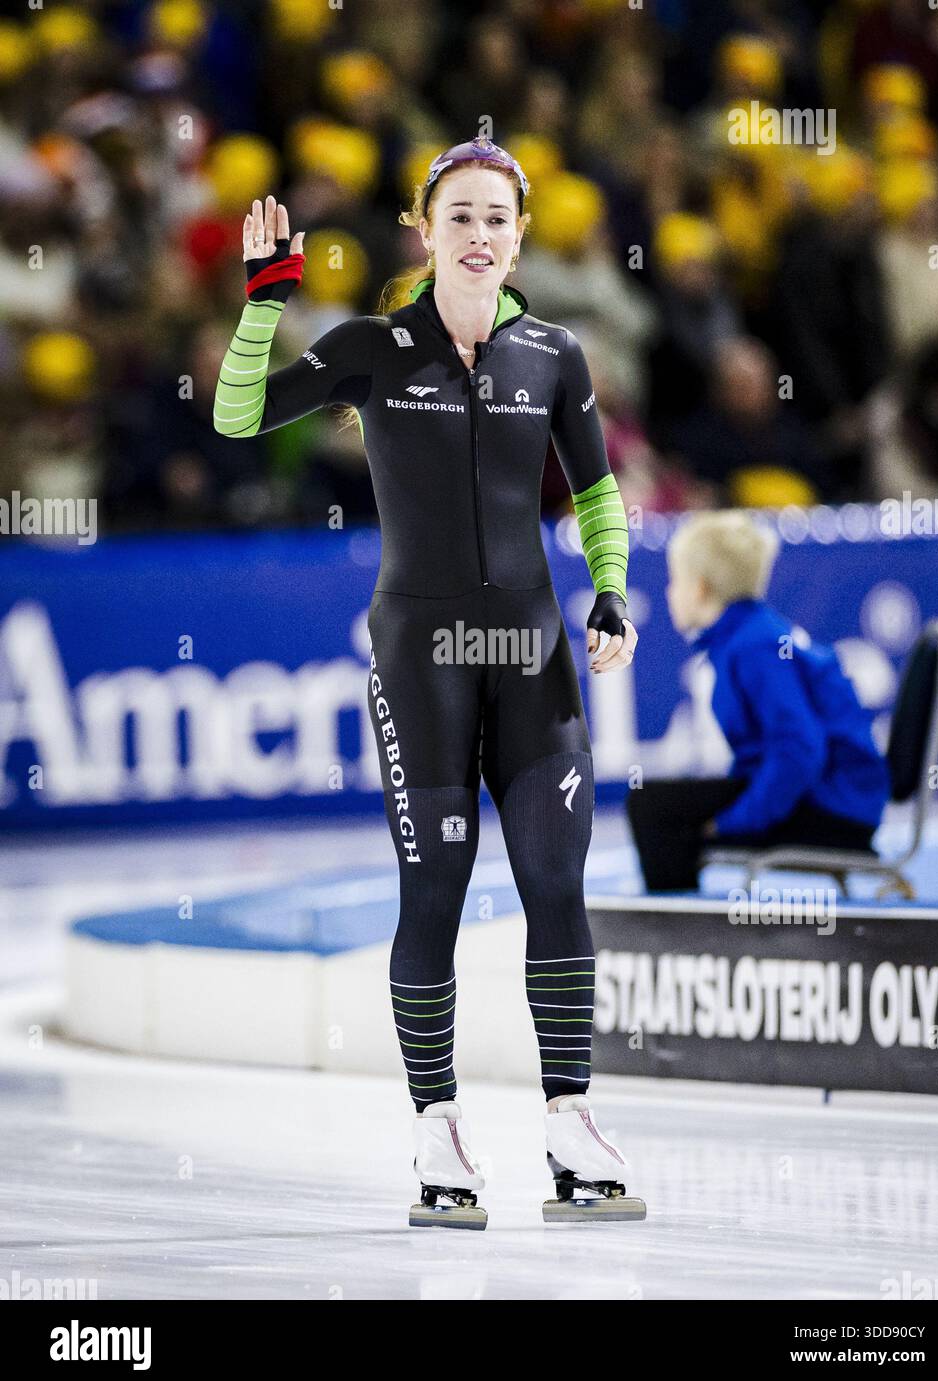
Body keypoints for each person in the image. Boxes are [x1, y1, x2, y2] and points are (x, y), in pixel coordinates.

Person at [213, 135, 645, 1225]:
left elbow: (597, 491)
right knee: (435, 894)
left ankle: (566, 1118)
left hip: (534, 656)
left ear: (520, 234)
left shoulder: (554, 354)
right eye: (461, 217)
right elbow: (236, 417)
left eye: (498, 219)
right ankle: (436, 1128)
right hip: (421, 658)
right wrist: (264, 304)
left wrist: (610, 590)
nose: (481, 236)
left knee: (557, 883)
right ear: (424, 228)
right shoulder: (373, 346)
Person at [627, 511, 890, 892]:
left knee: (654, 808)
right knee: (666, 802)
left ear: (700, 588)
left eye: (675, 581)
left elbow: (800, 750)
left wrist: (733, 822)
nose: (670, 592)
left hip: (834, 808)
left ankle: (674, 935)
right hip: (839, 797)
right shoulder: (753, 634)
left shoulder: (754, 647)